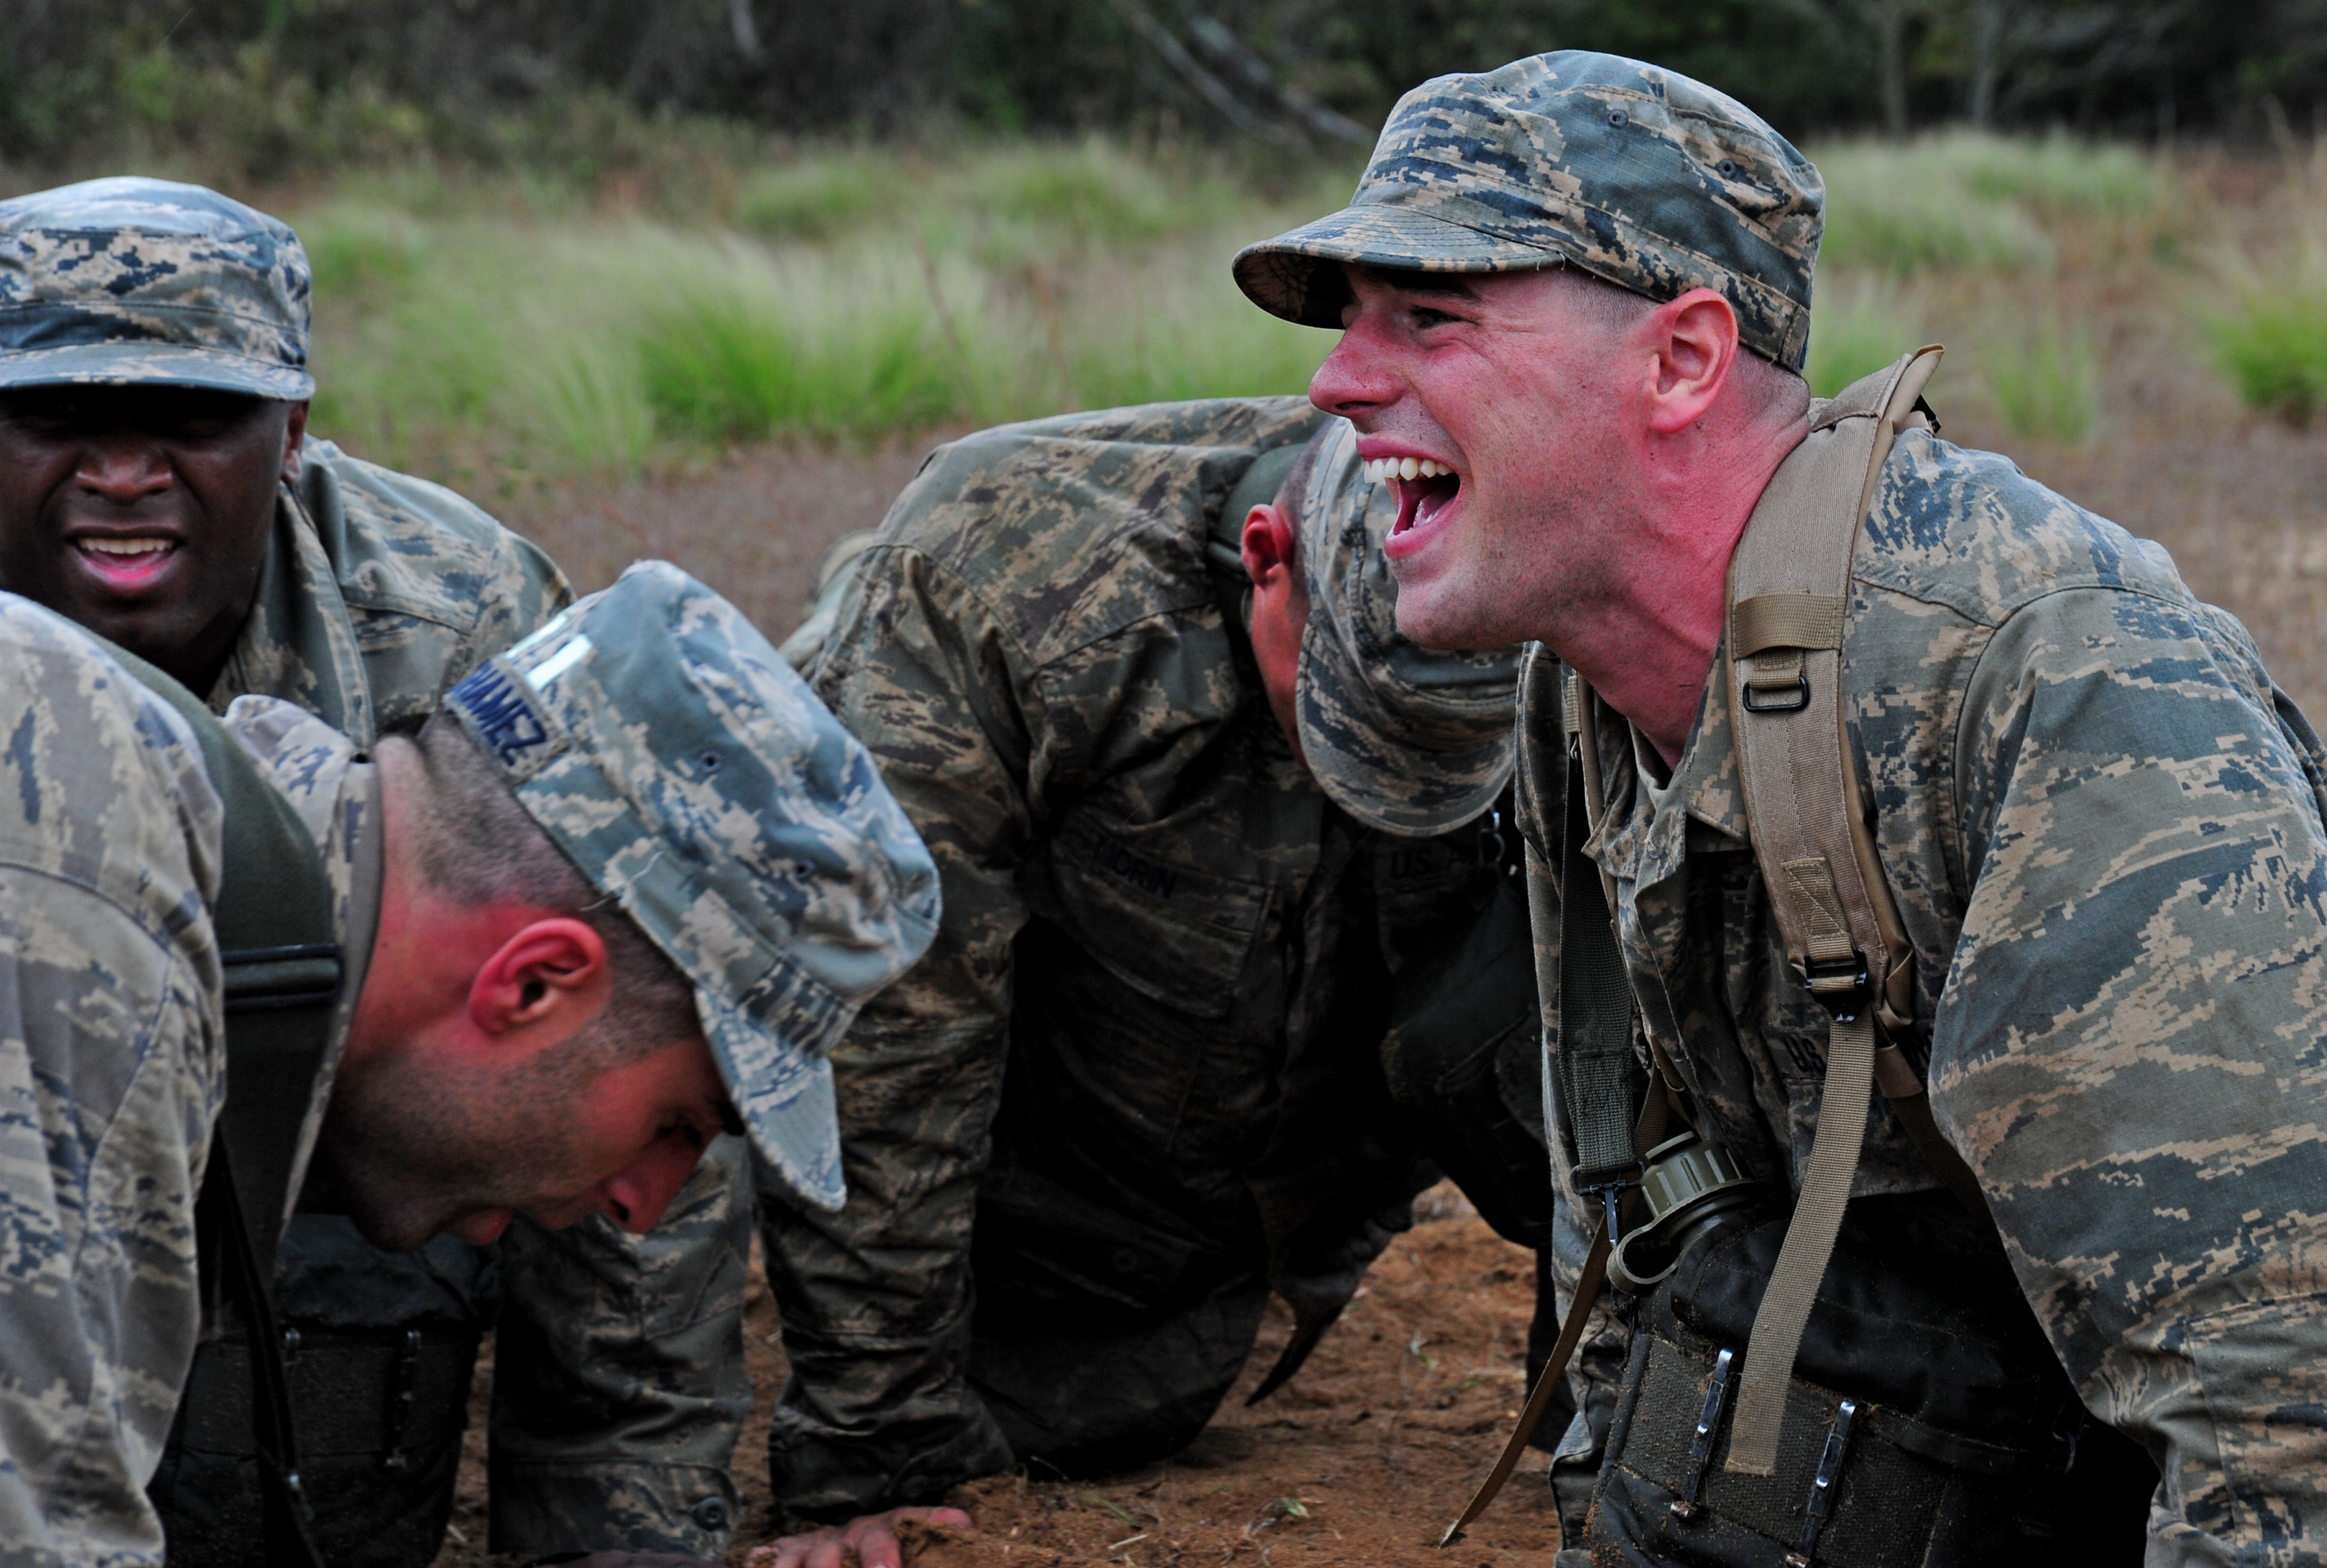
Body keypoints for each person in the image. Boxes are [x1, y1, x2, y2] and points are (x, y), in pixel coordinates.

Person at [1234, 48, 2327, 1564]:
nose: (1336, 382)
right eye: (1352, 321)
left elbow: (2279, 1413)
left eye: (1428, 318)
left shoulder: (2047, 680)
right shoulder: (1583, 683)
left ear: (1682, 361)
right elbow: (1631, 1235)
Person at [0, 177, 753, 1564]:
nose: (123, 473)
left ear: (291, 432)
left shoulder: (458, 617)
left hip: (324, 1206)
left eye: (190, 420)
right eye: (56, 420)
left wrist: (623, 1534)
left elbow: (634, 1055)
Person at [0, 557, 941, 1568]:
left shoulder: (163, 853)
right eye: (677, 1126)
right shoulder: (87, 918)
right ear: (533, 985)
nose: (642, 1207)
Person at [758, 398, 1551, 1568]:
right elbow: (889, 1037)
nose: (1389, 788)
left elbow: (1641, 1000)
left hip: (1280, 1170)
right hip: (1043, 1215)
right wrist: (872, 1451)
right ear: (1266, 560)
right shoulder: (995, 576)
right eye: (1357, 730)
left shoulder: (1568, 548)